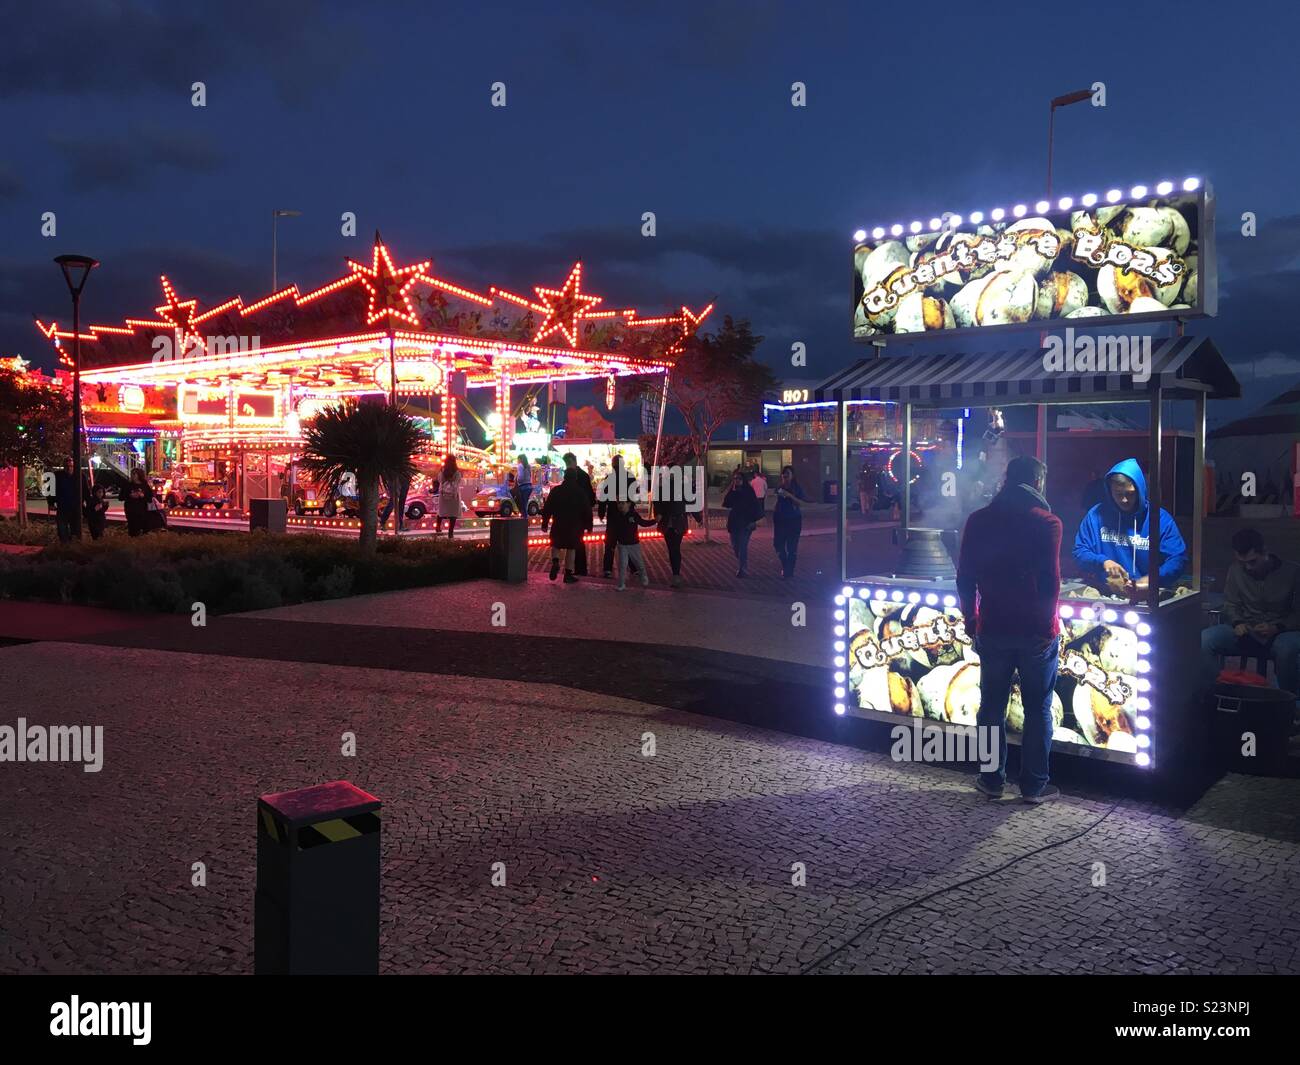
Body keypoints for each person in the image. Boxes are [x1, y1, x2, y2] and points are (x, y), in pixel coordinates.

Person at [956, 454, 1063, 804]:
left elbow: (965, 577)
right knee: (1036, 709)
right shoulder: (1047, 523)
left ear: (1006, 480)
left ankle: (991, 780)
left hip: (994, 627)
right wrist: (1047, 625)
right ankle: (1034, 786)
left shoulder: (979, 520)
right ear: (1039, 482)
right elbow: (1051, 582)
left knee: (991, 706)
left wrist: (972, 621)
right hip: (1035, 632)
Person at [1201, 528, 1300, 705]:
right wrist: (1237, 622)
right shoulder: (1236, 570)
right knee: (1205, 639)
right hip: (1246, 628)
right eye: (1243, 562)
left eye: (1253, 562)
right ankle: (1214, 694)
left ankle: (1288, 703)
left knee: (1288, 650)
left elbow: (1297, 612)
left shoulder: (1292, 573)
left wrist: (1277, 627)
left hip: (1280, 631)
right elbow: (1230, 603)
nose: (1248, 567)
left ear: (1265, 553)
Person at [1073, 458, 1187, 596]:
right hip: (1105, 594)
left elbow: (1178, 559)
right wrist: (1103, 562)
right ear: (1109, 491)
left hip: (1149, 594)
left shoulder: (1159, 519)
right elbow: (1080, 552)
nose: (1124, 500)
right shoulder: (1096, 515)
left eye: (1130, 494)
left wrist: (1151, 580)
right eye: (1118, 494)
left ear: (1140, 490)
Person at [542, 467, 589, 584]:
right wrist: (589, 525)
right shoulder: (579, 492)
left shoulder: (556, 491)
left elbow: (548, 507)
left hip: (558, 523)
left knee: (556, 545)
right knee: (571, 548)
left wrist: (545, 522)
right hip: (574, 525)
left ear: (565, 477)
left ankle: (556, 561)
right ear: (575, 478)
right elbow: (586, 509)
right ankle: (568, 574)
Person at [598, 455, 640, 579]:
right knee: (629, 541)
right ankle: (634, 568)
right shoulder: (630, 477)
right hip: (627, 516)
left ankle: (607, 569)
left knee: (610, 543)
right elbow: (636, 494)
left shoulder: (609, 478)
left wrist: (601, 512)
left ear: (613, 465)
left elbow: (602, 498)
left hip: (613, 515)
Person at [722, 468, 762, 578]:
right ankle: (742, 564)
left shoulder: (749, 491)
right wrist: (731, 489)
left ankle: (742, 568)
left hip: (746, 523)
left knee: (743, 546)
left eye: (739, 478)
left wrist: (753, 521)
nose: (737, 480)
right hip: (735, 522)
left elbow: (755, 507)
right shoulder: (733, 492)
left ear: (743, 479)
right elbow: (726, 503)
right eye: (735, 478)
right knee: (735, 546)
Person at [608, 499, 655, 590]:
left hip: (634, 544)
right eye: (619, 504)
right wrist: (612, 545)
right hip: (622, 545)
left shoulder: (633, 515)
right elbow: (614, 532)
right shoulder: (617, 516)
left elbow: (643, 523)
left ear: (628, 504)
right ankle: (621, 584)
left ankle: (643, 576)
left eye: (622, 503)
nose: (620, 506)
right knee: (622, 565)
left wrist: (654, 521)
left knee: (639, 563)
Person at [772, 465, 808, 578]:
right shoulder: (779, 487)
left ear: (792, 476)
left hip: (793, 520)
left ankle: (789, 571)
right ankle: (785, 564)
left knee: (791, 547)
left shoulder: (797, 488)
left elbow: (801, 503)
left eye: (787, 474)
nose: (785, 476)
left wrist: (789, 496)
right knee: (778, 544)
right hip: (780, 520)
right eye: (783, 474)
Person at [563, 451, 595, 576]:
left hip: (577, 514)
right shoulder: (581, 475)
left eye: (568, 463)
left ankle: (579, 568)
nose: (567, 465)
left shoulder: (580, 476)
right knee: (576, 541)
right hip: (576, 514)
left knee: (576, 542)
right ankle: (578, 568)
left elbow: (588, 498)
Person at [48, 459, 83, 543]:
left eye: (71, 466)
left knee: (75, 530)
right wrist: (51, 503)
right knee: (62, 531)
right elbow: (50, 490)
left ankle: (73, 546)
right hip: (62, 507)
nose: (69, 468)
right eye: (67, 466)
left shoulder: (80, 476)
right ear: (64, 467)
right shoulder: (57, 476)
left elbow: (85, 491)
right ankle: (65, 545)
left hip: (75, 508)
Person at [434, 455, 462, 538]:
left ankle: (438, 527)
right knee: (453, 514)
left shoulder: (442, 471)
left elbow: (440, 480)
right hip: (453, 495)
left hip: (443, 494)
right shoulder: (457, 472)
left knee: (441, 511)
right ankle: (450, 533)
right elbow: (457, 483)